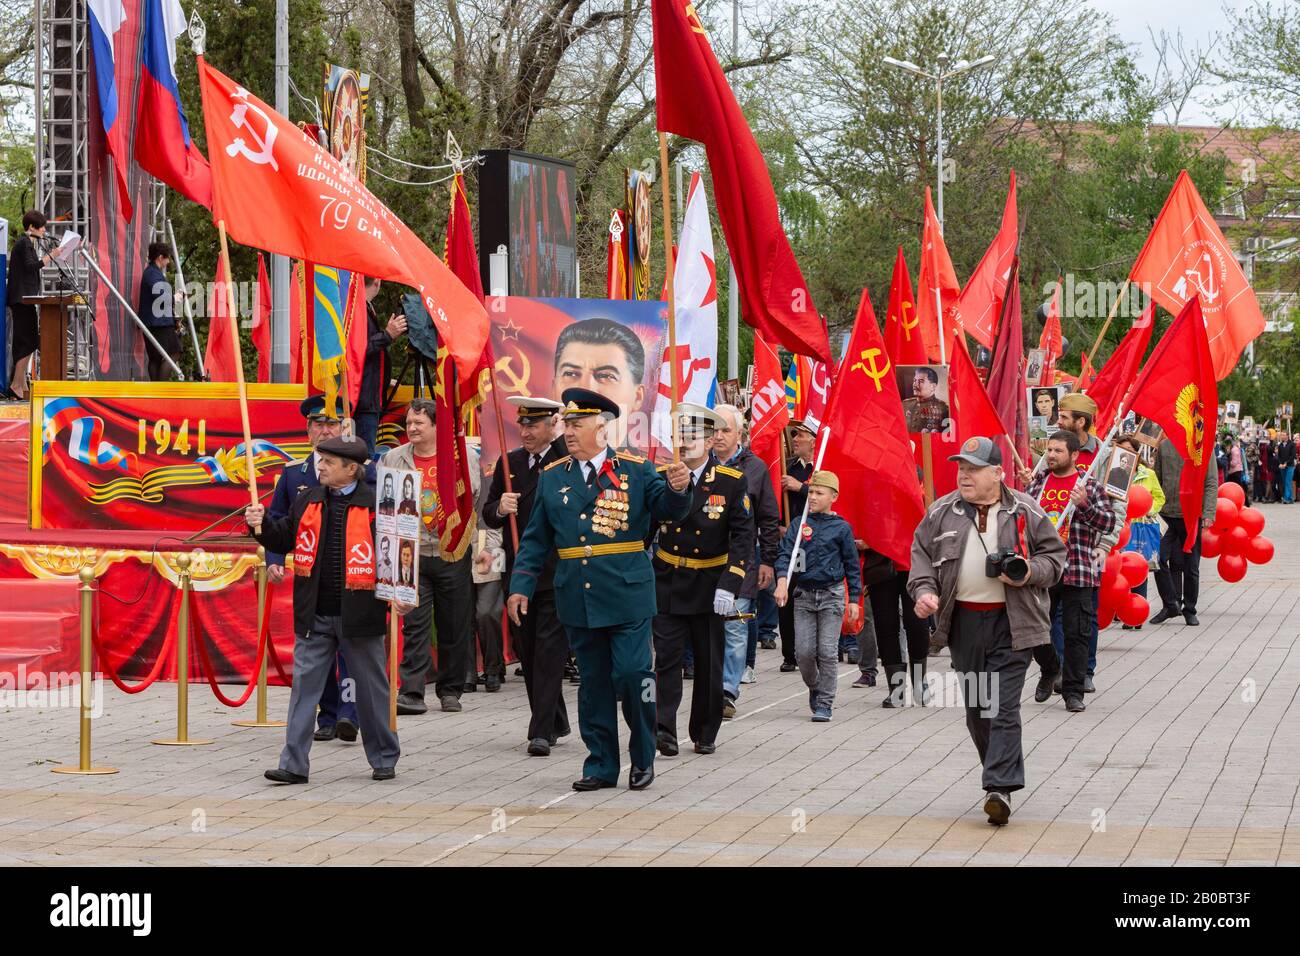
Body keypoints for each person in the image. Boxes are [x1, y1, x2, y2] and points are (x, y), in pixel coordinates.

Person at [506, 387, 691, 792]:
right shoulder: (554, 477)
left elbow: (666, 512)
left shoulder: (636, 470)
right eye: (567, 424)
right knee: (593, 684)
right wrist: (520, 585)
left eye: (578, 424)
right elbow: (536, 538)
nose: (569, 432)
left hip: (627, 593)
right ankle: (602, 764)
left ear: (603, 428)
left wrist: (678, 489)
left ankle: (643, 756)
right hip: (578, 596)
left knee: (631, 674)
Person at [908, 437, 1066, 825]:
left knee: (1003, 705)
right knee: (979, 710)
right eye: (961, 467)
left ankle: (999, 786)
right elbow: (921, 559)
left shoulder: (1025, 510)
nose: (964, 474)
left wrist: (1029, 572)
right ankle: (997, 774)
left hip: (1014, 622)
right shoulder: (941, 511)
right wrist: (925, 592)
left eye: (974, 468)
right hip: (962, 623)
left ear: (997, 473)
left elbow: (1055, 559)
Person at [245, 436, 401, 783]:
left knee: (372, 690)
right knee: (304, 690)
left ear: (352, 469)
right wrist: (260, 524)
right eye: (321, 460)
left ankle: (384, 756)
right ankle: (293, 764)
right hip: (314, 612)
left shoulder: (377, 503)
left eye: (330, 462)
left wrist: (401, 592)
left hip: (360, 612)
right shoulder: (307, 499)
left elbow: (396, 553)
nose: (321, 466)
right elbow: (282, 537)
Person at [652, 403, 754, 756]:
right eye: (681, 435)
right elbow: (645, 530)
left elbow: (742, 540)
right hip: (667, 578)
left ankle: (705, 730)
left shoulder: (730, 482)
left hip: (710, 583)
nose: (685, 442)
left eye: (693, 436)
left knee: (710, 663)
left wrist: (730, 584)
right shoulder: (662, 477)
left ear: (711, 440)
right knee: (665, 659)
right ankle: (663, 728)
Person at [265, 395, 360, 743]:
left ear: (343, 428)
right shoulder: (294, 475)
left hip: (352, 572)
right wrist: (274, 560)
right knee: (316, 655)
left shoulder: (360, 469)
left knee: (351, 649)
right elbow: (277, 521)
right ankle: (329, 715)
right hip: (311, 578)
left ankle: (351, 712)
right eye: (318, 424)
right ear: (308, 431)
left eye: (331, 423)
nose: (324, 430)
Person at [482, 395, 572, 756]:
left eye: (534, 424)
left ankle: (540, 730)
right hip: (520, 572)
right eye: (522, 424)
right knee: (529, 649)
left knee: (549, 651)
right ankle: (556, 718)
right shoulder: (510, 462)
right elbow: (488, 514)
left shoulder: (566, 460)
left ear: (553, 425)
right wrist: (500, 508)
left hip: (555, 572)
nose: (526, 431)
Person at [385, 397, 479, 715]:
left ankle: (450, 689)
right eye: (409, 423)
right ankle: (411, 691)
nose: (411, 428)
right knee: (414, 623)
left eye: (418, 423)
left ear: (436, 426)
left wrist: (480, 547)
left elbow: (474, 498)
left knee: (454, 624)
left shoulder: (461, 455)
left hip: (451, 550)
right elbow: (385, 507)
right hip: (411, 552)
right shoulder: (394, 458)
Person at [1026, 431, 1118, 712]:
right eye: (1049, 450)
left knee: (1077, 633)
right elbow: (1020, 517)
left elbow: (1108, 523)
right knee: (1035, 629)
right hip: (1043, 569)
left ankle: (1074, 691)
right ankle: (1050, 669)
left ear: (1074, 455)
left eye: (1058, 451)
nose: (1051, 456)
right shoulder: (1038, 484)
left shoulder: (1089, 486)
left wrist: (1083, 505)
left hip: (1078, 569)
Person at [773, 470, 862, 722]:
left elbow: (852, 565)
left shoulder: (842, 528)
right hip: (803, 595)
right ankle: (815, 685)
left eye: (819, 493)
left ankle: (825, 702)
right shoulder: (799, 525)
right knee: (803, 652)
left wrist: (853, 599)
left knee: (827, 651)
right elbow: (785, 555)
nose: (812, 497)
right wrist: (782, 582)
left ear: (833, 496)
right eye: (810, 492)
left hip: (832, 595)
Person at [709, 403, 778, 715]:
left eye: (726, 430)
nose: (720, 436)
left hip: (743, 561)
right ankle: (709, 684)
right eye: (715, 430)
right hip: (705, 560)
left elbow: (768, 517)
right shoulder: (698, 465)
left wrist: (768, 561)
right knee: (709, 627)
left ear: (739, 433)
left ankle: (727, 690)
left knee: (735, 626)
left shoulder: (755, 468)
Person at [1151, 435, 1220, 626]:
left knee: (1191, 566)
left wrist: (1208, 513)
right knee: (1157, 559)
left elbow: (1211, 482)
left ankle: (1189, 609)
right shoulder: (1165, 446)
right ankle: (1170, 604)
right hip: (1165, 514)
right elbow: (1155, 479)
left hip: (1192, 515)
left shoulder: (1204, 448)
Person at [551, 318, 647, 450]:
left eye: (606, 376)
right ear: (554, 386)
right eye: (571, 374)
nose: (586, 388)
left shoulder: (649, 470)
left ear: (637, 397)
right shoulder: (534, 464)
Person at [777, 419, 817, 672]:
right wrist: (780, 525)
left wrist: (800, 487)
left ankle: (822, 649)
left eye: (800, 434)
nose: (796, 439)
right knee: (787, 594)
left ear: (813, 439)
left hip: (817, 542)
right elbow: (778, 499)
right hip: (791, 542)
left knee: (815, 592)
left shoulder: (822, 466)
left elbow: (826, 493)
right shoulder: (788, 467)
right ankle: (789, 654)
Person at [1115, 434, 1165, 630]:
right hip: (1119, 528)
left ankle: (1136, 612)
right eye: (1121, 450)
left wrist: (1149, 510)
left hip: (1140, 528)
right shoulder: (1115, 473)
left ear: (1136, 452)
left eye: (1129, 450)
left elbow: (1160, 498)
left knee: (1139, 570)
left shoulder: (1148, 474)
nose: (1125, 454)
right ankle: (1121, 609)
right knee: (1120, 571)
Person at [6, 211, 55, 399]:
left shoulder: (28, 244)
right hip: (22, 299)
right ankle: (16, 384)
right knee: (29, 341)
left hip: (26, 299)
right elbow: (30, 266)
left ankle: (21, 384)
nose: (44, 230)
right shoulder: (24, 243)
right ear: (32, 227)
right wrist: (51, 256)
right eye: (41, 226)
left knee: (26, 341)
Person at [355, 277, 406, 455]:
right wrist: (387, 335)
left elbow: (370, 359)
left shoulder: (365, 307)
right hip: (363, 402)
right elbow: (356, 351)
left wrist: (384, 380)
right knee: (363, 457)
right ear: (377, 282)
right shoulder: (357, 309)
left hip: (367, 397)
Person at [467, 525, 506, 693]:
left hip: (493, 552)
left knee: (487, 614)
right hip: (460, 556)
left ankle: (493, 669)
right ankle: (468, 673)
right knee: (464, 616)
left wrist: (487, 549)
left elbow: (497, 523)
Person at [137, 241, 180, 382]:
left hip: (153, 322)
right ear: (161, 257)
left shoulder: (151, 273)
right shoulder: (152, 274)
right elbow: (160, 296)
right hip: (158, 323)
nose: (168, 262)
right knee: (174, 353)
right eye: (167, 258)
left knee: (155, 358)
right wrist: (175, 297)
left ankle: (156, 390)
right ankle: (161, 387)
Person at [902, 367, 948, 433]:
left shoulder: (944, 408)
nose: (915, 384)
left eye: (921, 381)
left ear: (933, 386)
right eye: (914, 380)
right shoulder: (905, 404)